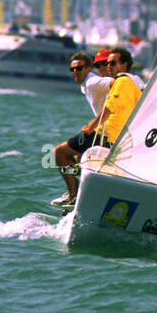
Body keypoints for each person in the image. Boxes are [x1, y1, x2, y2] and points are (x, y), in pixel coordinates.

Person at [51, 51, 113, 206]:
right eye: (72, 69)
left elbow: (114, 83)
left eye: (79, 68)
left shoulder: (93, 82)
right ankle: (81, 191)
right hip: (104, 131)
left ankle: (74, 195)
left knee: (59, 153)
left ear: (88, 68)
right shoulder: (86, 84)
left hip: (104, 133)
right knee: (80, 158)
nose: (75, 72)